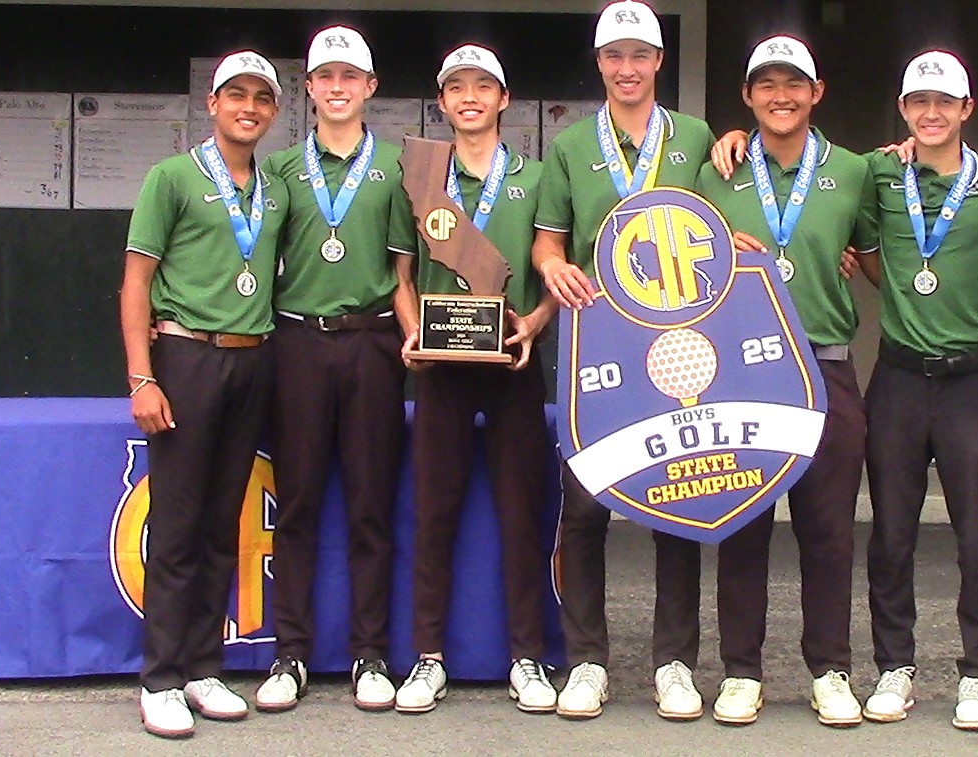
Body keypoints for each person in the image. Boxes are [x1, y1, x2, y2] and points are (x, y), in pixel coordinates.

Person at [532, 0, 719, 722]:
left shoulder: (697, 137)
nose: (628, 67)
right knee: (584, 505)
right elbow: (549, 240)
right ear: (600, 63)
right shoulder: (572, 145)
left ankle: (674, 661)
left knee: (676, 494)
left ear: (659, 61)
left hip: (676, 343)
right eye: (615, 56)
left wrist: (734, 144)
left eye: (640, 55)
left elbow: (724, 214)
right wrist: (552, 269)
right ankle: (586, 660)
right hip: (595, 343)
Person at [693, 35, 876, 728]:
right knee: (743, 523)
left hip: (825, 363)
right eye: (765, 84)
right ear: (746, 97)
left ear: (817, 92)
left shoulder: (854, 170)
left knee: (827, 529)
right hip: (740, 370)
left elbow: (869, 249)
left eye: (793, 83)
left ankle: (829, 668)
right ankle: (741, 670)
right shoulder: (720, 170)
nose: (780, 95)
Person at [390, 43, 561, 716]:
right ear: (442, 101)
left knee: (522, 514)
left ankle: (527, 656)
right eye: (456, 87)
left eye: (481, 87)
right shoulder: (421, 175)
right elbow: (401, 279)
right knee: (433, 514)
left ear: (503, 99)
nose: (469, 97)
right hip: (440, 369)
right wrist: (411, 332)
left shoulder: (538, 176)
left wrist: (537, 322)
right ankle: (427, 656)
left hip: (514, 363)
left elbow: (556, 270)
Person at [121, 51, 288, 738]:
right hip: (186, 356)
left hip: (252, 360)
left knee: (224, 520)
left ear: (274, 112)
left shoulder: (275, 188)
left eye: (261, 98)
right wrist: (142, 375)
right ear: (212, 103)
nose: (248, 107)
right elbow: (135, 283)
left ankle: (200, 666)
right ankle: (159, 676)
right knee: (180, 522)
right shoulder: (171, 178)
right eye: (236, 95)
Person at [254, 25, 419, 714]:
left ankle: (370, 654)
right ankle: (288, 653)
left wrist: (414, 335)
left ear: (370, 87)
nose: (338, 86)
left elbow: (408, 269)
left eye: (351, 75)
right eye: (326, 76)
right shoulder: (282, 170)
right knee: (295, 503)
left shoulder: (402, 168)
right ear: (310, 88)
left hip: (373, 342)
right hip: (297, 343)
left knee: (369, 505)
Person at [856, 50, 978, 732]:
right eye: (917, 101)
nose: (930, 112)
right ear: (902, 109)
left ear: (965, 109)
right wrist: (735, 139)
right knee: (890, 535)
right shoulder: (876, 173)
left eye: (943, 101)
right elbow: (859, 242)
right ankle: (894, 665)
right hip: (896, 377)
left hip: (972, 380)